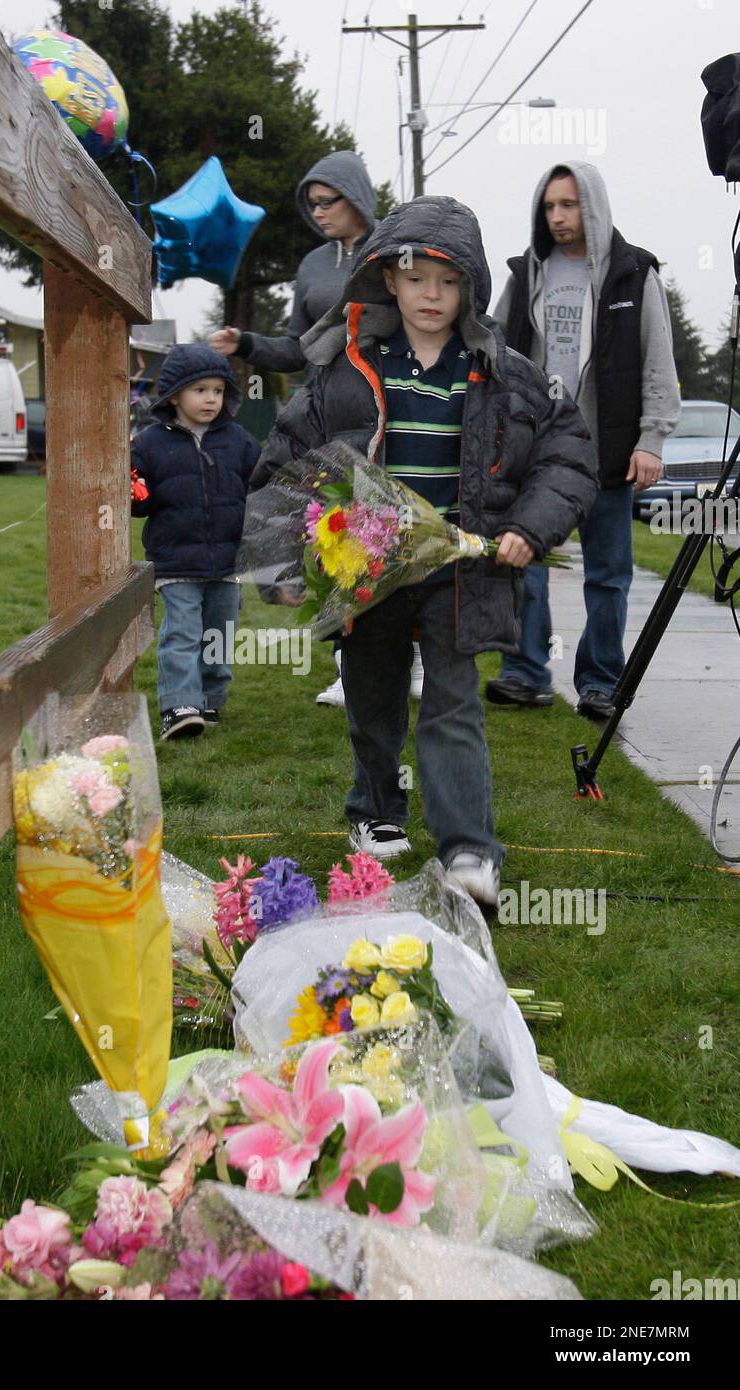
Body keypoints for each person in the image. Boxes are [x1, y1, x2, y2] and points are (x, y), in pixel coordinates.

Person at [250, 196, 597, 904]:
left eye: (446, 281)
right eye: (414, 280)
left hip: (461, 573)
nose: (430, 295)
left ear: (468, 287)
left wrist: (528, 529)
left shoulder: (505, 373)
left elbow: (568, 453)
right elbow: (284, 460)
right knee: (371, 700)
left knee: (452, 706)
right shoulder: (345, 368)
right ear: (387, 281)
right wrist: (283, 563)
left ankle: (469, 850)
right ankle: (377, 815)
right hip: (366, 575)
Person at [210, 151, 425, 706]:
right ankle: (348, 664)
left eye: (328, 201)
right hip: (329, 416)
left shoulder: (393, 250)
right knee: (337, 536)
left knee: (397, 531)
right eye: (312, 204)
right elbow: (298, 348)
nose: (319, 212)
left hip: (391, 407)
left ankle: (416, 658)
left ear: (357, 196)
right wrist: (247, 344)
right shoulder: (311, 266)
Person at [486, 162, 680, 719]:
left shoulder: (632, 273)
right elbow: (495, 349)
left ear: (591, 205)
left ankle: (599, 683)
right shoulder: (526, 274)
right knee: (525, 559)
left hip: (608, 449)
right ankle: (526, 673)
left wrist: (652, 439)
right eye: (550, 206)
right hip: (538, 451)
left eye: (568, 205)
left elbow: (658, 362)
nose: (558, 216)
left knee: (608, 573)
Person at [131, 345, 260, 741]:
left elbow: (259, 486)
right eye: (200, 390)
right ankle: (179, 705)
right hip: (175, 560)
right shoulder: (150, 443)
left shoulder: (238, 440)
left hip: (227, 560)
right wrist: (134, 492)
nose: (210, 399)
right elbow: (140, 502)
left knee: (219, 634)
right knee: (183, 632)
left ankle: (209, 697)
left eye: (218, 391)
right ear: (175, 395)